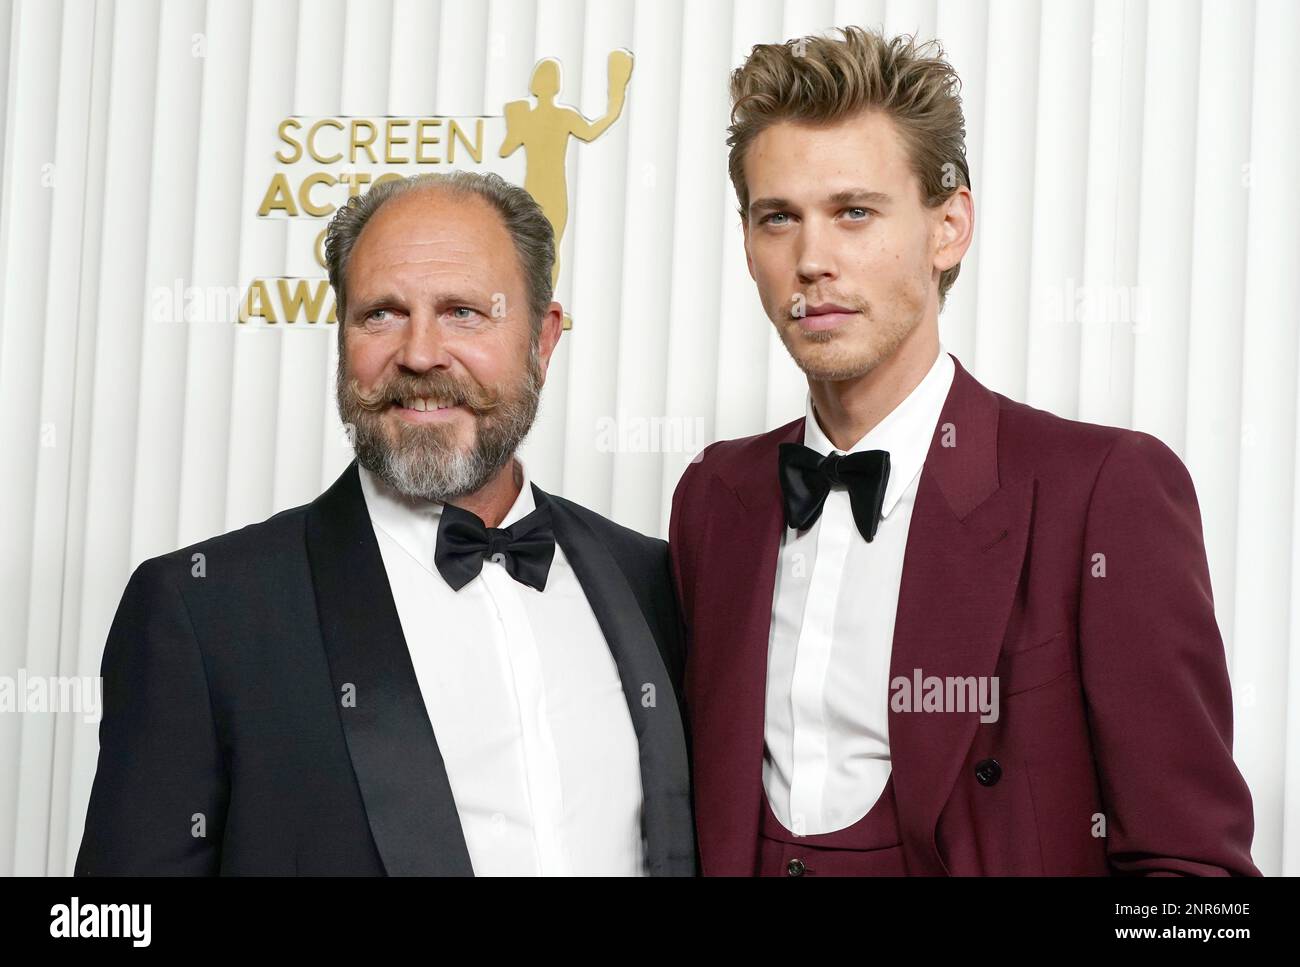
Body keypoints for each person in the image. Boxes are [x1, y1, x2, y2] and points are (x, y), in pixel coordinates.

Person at [669, 26, 1259, 876]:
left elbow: (1200, 890)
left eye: (854, 212)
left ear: (949, 227)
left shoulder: (1103, 489)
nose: (812, 260)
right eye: (778, 219)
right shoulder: (713, 497)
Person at [76, 171, 694, 876]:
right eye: (381, 314)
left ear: (543, 340)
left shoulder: (651, 581)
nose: (421, 353)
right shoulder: (203, 611)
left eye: (464, 311)